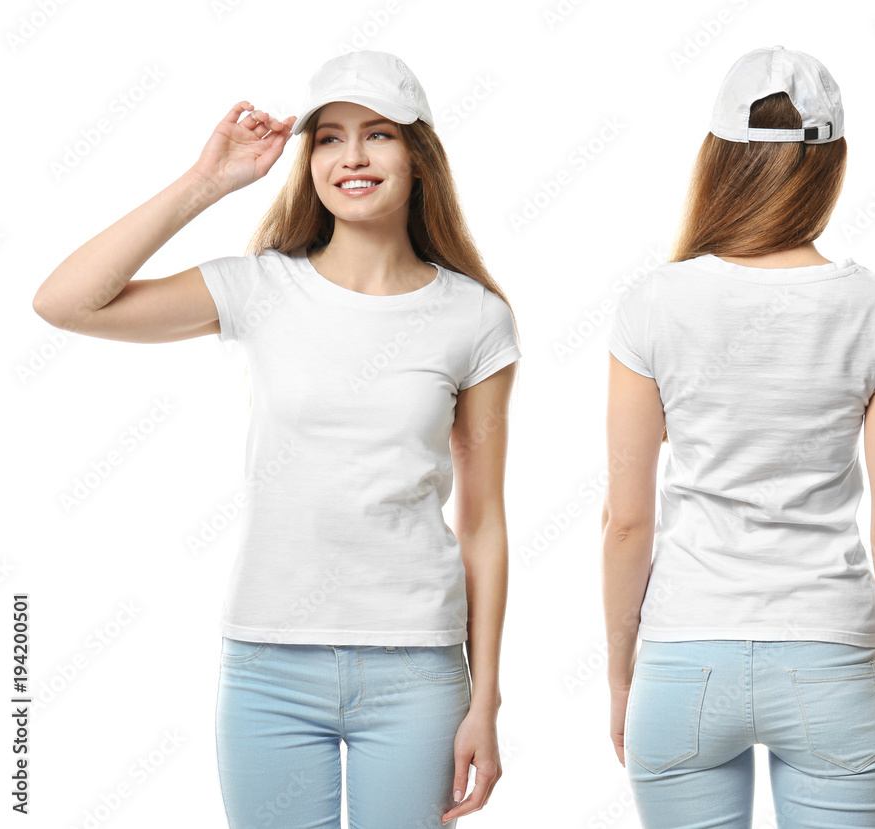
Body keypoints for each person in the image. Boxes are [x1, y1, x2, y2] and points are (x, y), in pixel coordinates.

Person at [32, 49, 519, 827]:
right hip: (270, 665)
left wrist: (486, 700)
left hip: (418, 667)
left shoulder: (475, 317)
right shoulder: (262, 287)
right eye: (329, 137)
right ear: (309, 160)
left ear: (418, 158)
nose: (353, 156)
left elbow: (484, 521)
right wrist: (207, 181)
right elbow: (65, 303)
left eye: (379, 135)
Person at [602, 46, 875, 828]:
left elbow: (625, 520)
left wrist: (622, 672)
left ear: (717, 160)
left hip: (684, 659)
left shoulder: (652, 303)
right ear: (832, 164)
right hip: (832, 661)